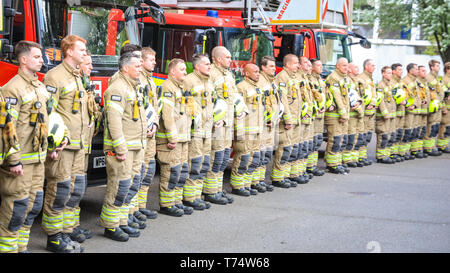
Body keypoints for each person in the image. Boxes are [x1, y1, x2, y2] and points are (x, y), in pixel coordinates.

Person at [41, 35, 88, 252]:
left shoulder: (78, 75)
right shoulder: (54, 76)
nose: (84, 53)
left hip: (79, 145)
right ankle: (53, 238)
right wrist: (53, 146)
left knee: (73, 190)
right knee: (58, 191)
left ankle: (66, 231)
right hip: (63, 146)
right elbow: (49, 113)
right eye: (81, 49)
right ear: (69, 51)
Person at [0, 41, 47, 253]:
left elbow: (48, 120)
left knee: (32, 206)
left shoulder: (39, 86)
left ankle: (21, 248)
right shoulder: (12, 88)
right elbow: (7, 128)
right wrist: (14, 160)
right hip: (21, 161)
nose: (42, 60)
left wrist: (56, 142)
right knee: (16, 208)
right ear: (24, 59)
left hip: (38, 159)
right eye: (37, 57)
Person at [100, 52, 147, 241]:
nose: (140, 69)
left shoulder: (133, 86)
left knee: (129, 186)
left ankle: (122, 222)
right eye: (137, 66)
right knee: (119, 186)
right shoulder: (118, 88)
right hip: (123, 149)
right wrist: (119, 148)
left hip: (136, 145)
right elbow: (114, 120)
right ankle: (111, 227)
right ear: (125, 68)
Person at [203, 46, 243, 202]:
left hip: (228, 123)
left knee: (224, 156)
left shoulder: (228, 75)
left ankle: (217, 189)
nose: (230, 60)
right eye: (227, 57)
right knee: (216, 157)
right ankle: (210, 191)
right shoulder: (211, 74)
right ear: (218, 59)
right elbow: (209, 100)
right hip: (217, 124)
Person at [156, 58, 194, 216]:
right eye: (182, 69)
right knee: (171, 172)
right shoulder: (167, 87)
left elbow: (189, 111)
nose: (185, 72)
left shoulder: (182, 87)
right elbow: (167, 115)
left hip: (183, 137)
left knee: (181, 171)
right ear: (172, 72)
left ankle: (177, 201)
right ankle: (166, 204)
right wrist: (172, 138)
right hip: (173, 139)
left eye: (185, 69)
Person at [72, 51, 99, 242]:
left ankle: (72, 226)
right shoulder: (75, 83)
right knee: (69, 189)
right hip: (75, 145)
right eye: (87, 64)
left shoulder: (85, 83)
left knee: (78, 189)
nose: (90, 67)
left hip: (85, 143)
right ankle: (64, 230)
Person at [182, 54, 214, 209]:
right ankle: (189, 198)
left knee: (204, 163)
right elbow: (183, 104)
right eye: (206, 64)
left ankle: (197, 195)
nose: (209, 66)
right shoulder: (188, 80)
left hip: (207, 130)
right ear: (197, 66)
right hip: (196, 130)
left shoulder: (209, 81)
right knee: (194, 163)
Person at [230, 63, 264, 196]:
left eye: (258, 71)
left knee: (253, 159)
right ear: (246, 73)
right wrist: (239, 132)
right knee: (242, 159)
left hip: (257, 130)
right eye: (255, 71)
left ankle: (247, 184)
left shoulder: (258, 88)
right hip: (246, 131)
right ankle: (237, 186)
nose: (258, 74)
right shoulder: (241, 88)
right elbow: (238, 112)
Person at [137, 47, 160, 219]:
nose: (155, 63)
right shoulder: (139, 80)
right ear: (142, 61)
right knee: (140, 171)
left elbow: (155, 108)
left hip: (151, 132)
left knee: (147, 171)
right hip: (142, 133)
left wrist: (155, 124)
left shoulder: (150, 81)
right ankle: (134, 209)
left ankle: (141, 206)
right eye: (151, 60)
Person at [270, 54, 296, 188]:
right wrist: (287, 118)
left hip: (293, 118)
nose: (297, 66)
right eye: (295, 63)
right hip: (287, 119)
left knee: (288, 149)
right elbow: (283, 100)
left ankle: (283, 175)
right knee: (283, 148)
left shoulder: (291, 77)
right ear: (288, 64)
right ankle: (278, 177)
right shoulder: (282, 77)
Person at [256, 55, 280, 191]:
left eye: (274, 66)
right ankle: (255, 182)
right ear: (263, 68)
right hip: (265, 125)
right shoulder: (260, 82)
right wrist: (267, 119)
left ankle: (260, 180)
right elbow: (262, 104)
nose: (274, 68)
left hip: (272, 124)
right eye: (270, 66)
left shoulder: (272, 82)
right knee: (260, 153)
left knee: (266, 154)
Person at [324, 57, 350, 174]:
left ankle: (337, 162)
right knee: (335, 139)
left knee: (341, 139)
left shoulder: (343, 78)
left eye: (347, 65)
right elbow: (337, 96)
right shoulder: (333, 78)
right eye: (344, 66)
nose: (346, 68)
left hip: (342, 114)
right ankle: (332, 164)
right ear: (338, 66)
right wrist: (343, 112)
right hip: (335, 114)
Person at [296, 57, 314, 183]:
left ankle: (300, 171)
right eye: (306, 63)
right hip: (299, 119)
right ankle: (294, 174)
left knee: (304, 147)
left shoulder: (305, 78)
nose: (309, 66)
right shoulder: (297, 79)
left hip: (307, 117)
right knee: (295, 148)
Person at [307, 59, 326, 175]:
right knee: (311, 142)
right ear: (313, 67)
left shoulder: (320, 80)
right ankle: (309, 166)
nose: (321, 67)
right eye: (318, 65)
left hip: (321, 115)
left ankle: (313, 166)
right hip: (314, 114)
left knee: (317, 141)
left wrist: (324, 106)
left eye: (321, 65)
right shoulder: (310, 80)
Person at [375, 66, 397, 163]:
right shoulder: (380, 85)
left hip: (391, 115)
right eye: (388, 73)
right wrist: (385, 113)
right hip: (384, 116)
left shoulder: (390, 85)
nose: (390, 75)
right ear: (383, 74)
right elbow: (380, 101)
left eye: (391, 73)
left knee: (390, 135)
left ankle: (387, 154)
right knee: (383, 136)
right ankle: (381, 156)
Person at [424, 60, 444, 156]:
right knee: (431, 127)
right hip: (433, 107)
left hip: (438, 106)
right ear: (432, 67)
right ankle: (427, 148)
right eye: (437, 65)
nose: (439, 67)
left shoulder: (437, 78)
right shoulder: (428, 78)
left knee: (435, 127)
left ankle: (431, 146)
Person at [402, 63, 422, 159]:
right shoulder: (405, 81)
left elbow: (417, 96)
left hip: (416, 110)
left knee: (414, 132)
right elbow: (405, 96)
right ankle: (404, 152)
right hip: (409, 111)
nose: (418, 71)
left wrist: (417, 104)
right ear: (410, 71)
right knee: (407, 131)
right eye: (416, 69)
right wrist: (410, 105)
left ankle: (410, 151)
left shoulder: (415, 81)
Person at [347, 63, 365, 167]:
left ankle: (354, 158)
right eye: (356, 67)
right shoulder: (348, 81)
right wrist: (358, 107)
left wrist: (360, 103)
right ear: (349, 70)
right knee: (351, 137)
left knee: (357, 137)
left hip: (358, 112)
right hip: (353, 113)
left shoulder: (356, 80)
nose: (358, 69)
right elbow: (349, 97)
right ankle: (348, 160)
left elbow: (360, 96)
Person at [390, 63, 407, 160]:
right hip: (395, 112)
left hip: (402, 111)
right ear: (394, 71)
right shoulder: (391, 82)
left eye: (401, 69)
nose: (401, 71)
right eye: (399, 70)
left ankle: (396, 152)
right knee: (393, 133)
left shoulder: (401, 82)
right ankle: (392, 153)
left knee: (399, 134)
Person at [437, 62, 450, 152]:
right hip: (446, 108)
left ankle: (445, 144)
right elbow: (442, 96)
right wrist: (444, 108)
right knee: (444, 127)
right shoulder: (443, 79)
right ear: (447, 69)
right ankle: (441, 145)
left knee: (448, 128)